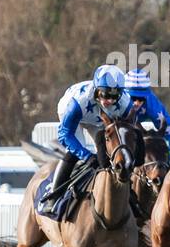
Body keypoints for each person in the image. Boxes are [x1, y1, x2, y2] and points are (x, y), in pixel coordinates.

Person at [43, 64, 137, 208]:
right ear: (97, 89)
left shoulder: (125, 104)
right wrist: (86, 156)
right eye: (105, 94)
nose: (110, 101)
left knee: (109, 153)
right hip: (76, 115)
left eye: (114, 96)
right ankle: (53, 196)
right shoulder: (78, 102)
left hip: (98, 120)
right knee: (74, 153)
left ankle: (127, 195)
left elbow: (126, 136)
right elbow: (65, 135)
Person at [125, 68, 170, 164]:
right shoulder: (116, 101)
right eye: (133, 98)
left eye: (141, 99)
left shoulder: (152, 103)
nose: (137, 103)